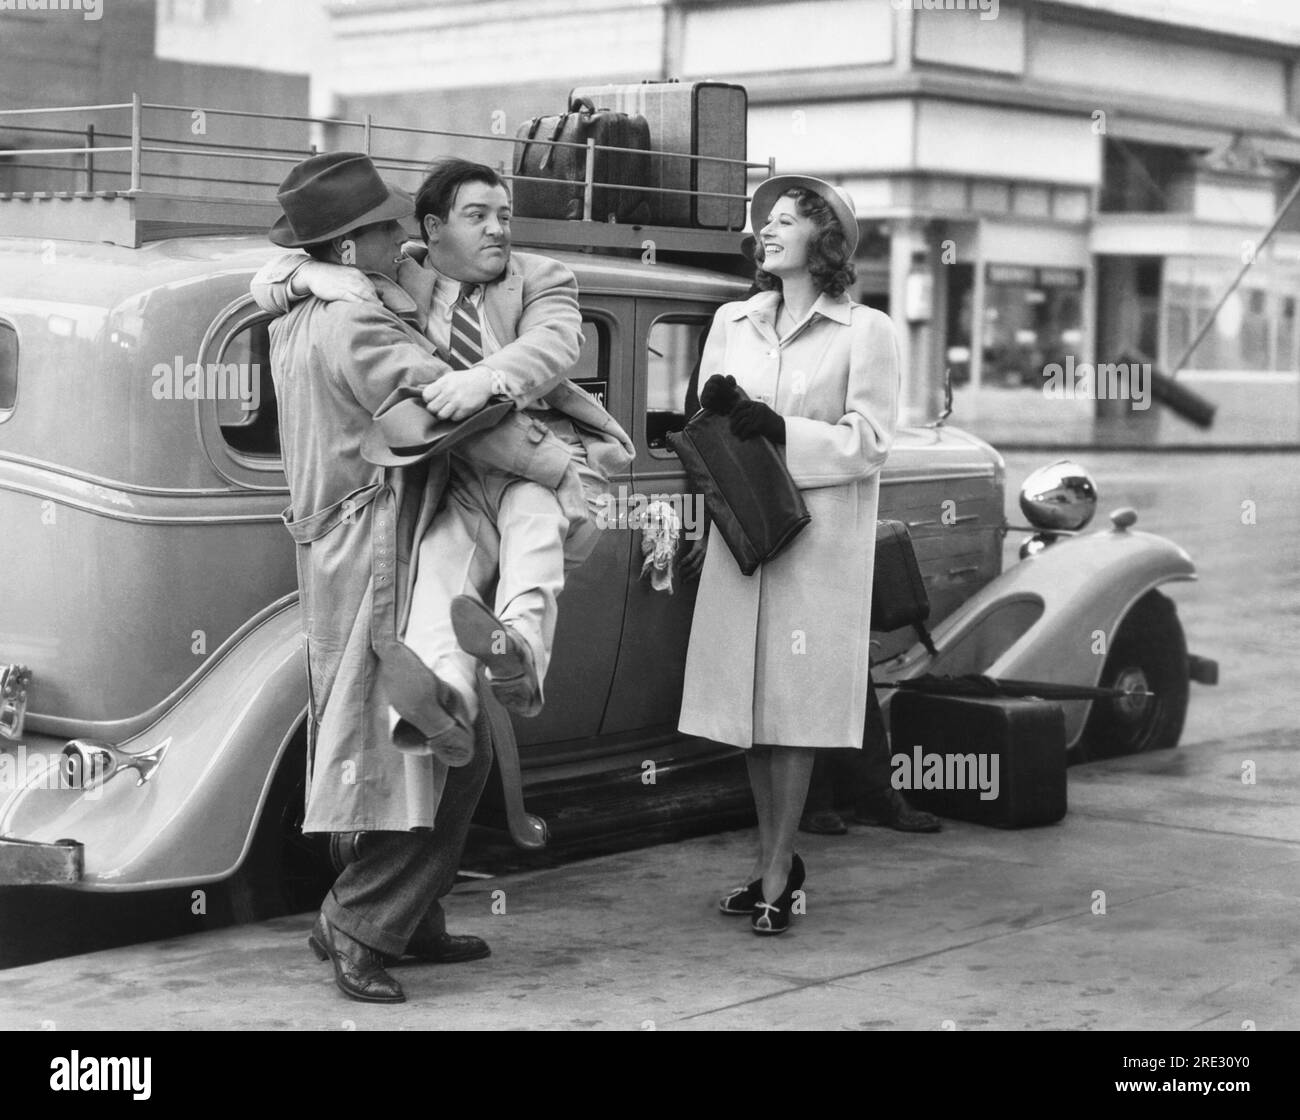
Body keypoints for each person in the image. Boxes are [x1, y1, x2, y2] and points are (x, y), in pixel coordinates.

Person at [252, 158, 634, 740]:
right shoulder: (400, 273)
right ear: (431, 230)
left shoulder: (542, 277)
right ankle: (445, 701)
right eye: (477, 216)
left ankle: (521, 650)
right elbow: (289, 268)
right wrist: (309, 279)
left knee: (530, 521)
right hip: (461, 464)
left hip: (541, 451)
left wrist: (487, 379)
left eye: (504, 215)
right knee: (439, 566)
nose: (498, 229)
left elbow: (554, 342)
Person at [264, 151, 496, 1004]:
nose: (405, 238)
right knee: (444, 739)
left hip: (351, 550)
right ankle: (358, 923)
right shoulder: (356, 326)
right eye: (388, 228)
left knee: (390, 747)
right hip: (381, 551)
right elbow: (450, 400)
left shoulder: (305, 311)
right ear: (349, 247)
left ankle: (408, 914)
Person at [677, 174, 901, 936]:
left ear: (824, 239)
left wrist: (781, 430)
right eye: (763, 222)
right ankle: (772, 861)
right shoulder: (734, 319)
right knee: (751, 708)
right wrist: (715, 414)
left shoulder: (865, 331)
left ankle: (778, 868)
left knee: (795, 710)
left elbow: (868, 445)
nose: (764, 232)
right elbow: (706, 415)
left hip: (816, 544)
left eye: (783, 222)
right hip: (745, 532)